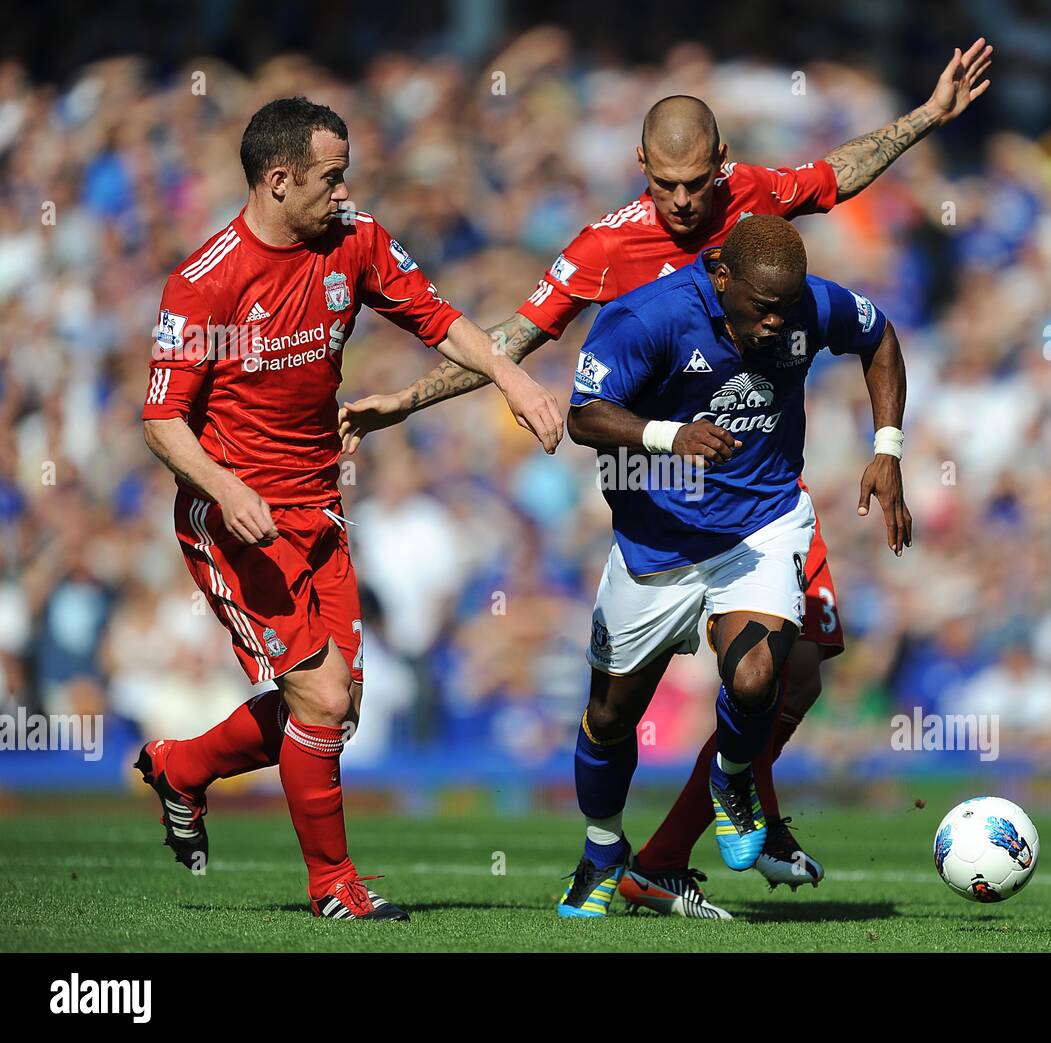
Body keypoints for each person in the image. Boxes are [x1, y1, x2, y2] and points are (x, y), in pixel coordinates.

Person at [338, 41, 988, 916]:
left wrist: (924, 117)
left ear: (721, 166)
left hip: (760, 492)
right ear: (640, 165)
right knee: (616, 709)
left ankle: (707, 822)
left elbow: (835, 174)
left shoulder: (755, 198)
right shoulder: (607, 249)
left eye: (697, 183)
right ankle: (639, 850)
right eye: (665, 184)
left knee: (785, 677)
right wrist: (412, 398)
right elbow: (518, 336)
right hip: (655, 500)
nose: (682, 203)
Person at [136, 97, 562, 921]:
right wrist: (226, 487)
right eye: (332, 178)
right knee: (322, 700)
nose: (345, 192)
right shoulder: (205, 280)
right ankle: (335, 887)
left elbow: (436, 316)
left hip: (320, 507)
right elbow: (161, 420)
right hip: (233, 519)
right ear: (280, 178)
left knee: (336, 710)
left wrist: (511, 377)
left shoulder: (355, 242)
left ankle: (183, 767)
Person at [556, 215, 910, 917]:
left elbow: (880, 338)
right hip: (657, 543)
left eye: (788, 308)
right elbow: (584, 415)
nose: (778, 324)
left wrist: (889, 446)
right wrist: (668, 434)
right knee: (609, 714)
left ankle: (735, 779)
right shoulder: (648, 317)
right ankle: (602, 853)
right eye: (763, 308)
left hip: (763, 523)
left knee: (761, 676)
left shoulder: (812, 306)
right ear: (721, 279)